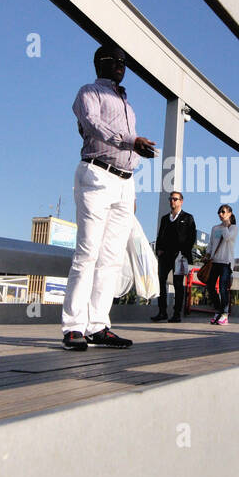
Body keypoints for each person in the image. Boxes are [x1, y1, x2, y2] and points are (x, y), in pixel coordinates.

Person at [60, 44, 157, 351]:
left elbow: (127, 145)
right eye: (114, 60)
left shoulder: (127, 104)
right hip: (97, 175)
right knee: (87, 252)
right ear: (99, 63)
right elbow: (91, 125)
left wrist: (134, 165)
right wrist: (131, 141)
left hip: (124, 184)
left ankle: (98, 325)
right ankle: (73, 326)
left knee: (112, 259)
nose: (120, 65)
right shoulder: (89, 92)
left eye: (123, 61)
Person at [151, 191, 195, 323]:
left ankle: (176, 313)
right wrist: (158, 250)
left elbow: (191, 237)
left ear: (181, 201)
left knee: (178, 285)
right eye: (171, 199)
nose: (172, 201)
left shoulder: (188, 218)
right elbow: (160, 235)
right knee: (161, 283)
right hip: (165, 256)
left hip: (179, 256)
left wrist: (183, 252)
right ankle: (162, 311)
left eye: (175, 199)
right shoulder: (165, 218)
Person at [203, 204, 238, 325]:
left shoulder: (233, 228)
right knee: (210, 286)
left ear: (229, 213)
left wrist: (225, 225)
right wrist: (207, 254)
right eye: (219, 212)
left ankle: (224, 314)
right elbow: (211, 243)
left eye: (223, 212)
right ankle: (218, 310)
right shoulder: (215, 228)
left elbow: (228, 237)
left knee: (223, 288)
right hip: (215, 262)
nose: (220, 214)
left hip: (226, 263)